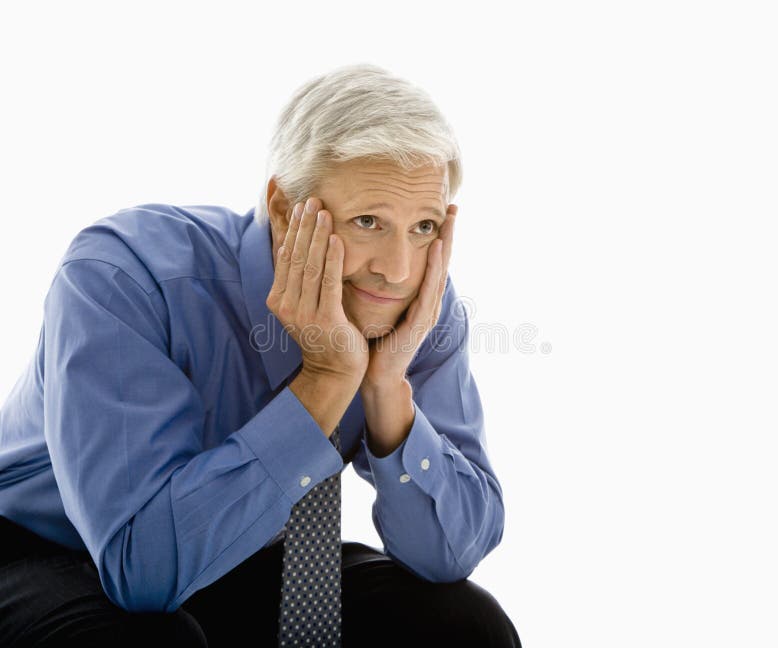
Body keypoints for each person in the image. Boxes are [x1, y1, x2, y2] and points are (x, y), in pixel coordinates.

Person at [0, 63, 521, 646]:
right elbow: (140, 570)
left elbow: (451, 555)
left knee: (464, 625)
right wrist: (326, 380)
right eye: (368, 222)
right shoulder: (125, 277)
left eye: (424, 226)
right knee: (148, 641)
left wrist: (387, 395)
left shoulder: (411, 305)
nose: (397, 269)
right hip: (53, 548)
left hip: (244, 547)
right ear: (282, 209)